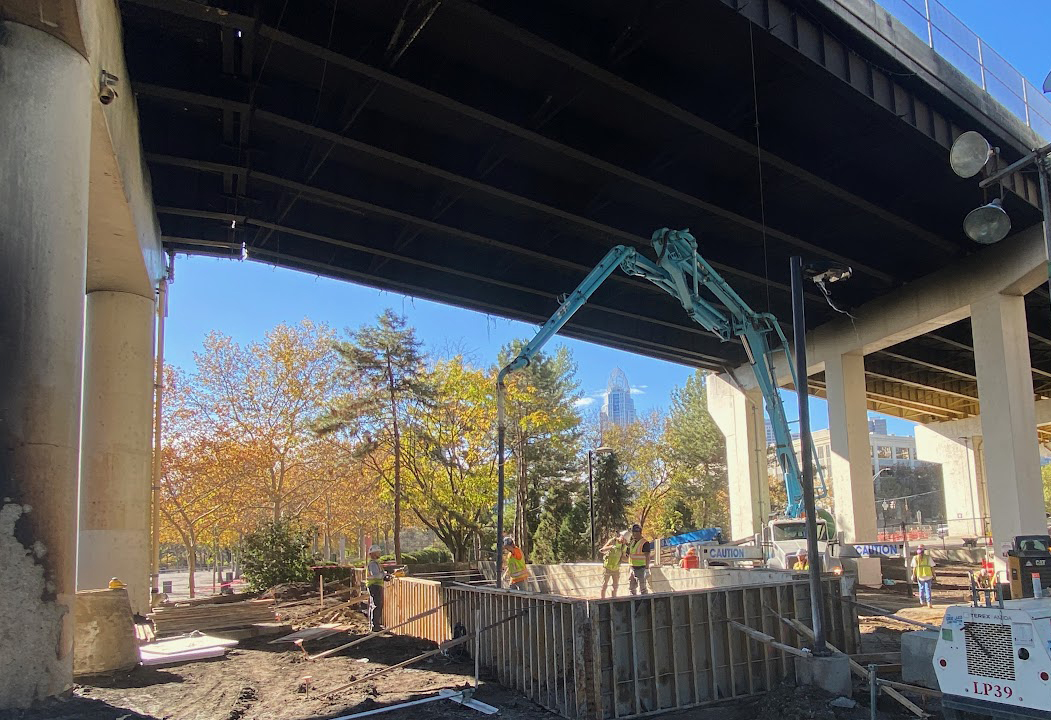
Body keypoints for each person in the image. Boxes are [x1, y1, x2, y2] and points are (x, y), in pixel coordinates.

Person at [599, 531, 628, 598]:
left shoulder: (624, 546)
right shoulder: (613, 541)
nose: (624, 541)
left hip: (616, 568)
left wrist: (629, 559)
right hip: (607, 567)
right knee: (604, 584)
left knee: (615, 586)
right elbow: (602, 550)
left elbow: (623, 557)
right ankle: (602, 599)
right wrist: (610, 547)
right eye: (624, 539)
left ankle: (614, 599)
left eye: (625, 541)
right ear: (621, 536)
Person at [365, 545, 387, 632]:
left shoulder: (375, 563)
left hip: (374, 585)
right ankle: (375, 626)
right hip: (375, 585)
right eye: (378, 552)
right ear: (373, 554)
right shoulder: (373, 564)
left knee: (374, 605)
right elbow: (376, 575)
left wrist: (384, 574)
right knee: (377, 604)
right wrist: (384, 576)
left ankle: (373, 624)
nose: (379, 553)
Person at [627, 524, 651, 596]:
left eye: (634, 532)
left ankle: (645, 604)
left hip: (641, 568)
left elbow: (647, 556)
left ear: (639, 532)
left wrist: (647, 569)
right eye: (632, 532)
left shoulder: (644, 543)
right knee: (631, 588)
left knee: (642, 588)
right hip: (632, 567)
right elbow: (628, 554)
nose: (633, 534)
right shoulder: (632, 542)